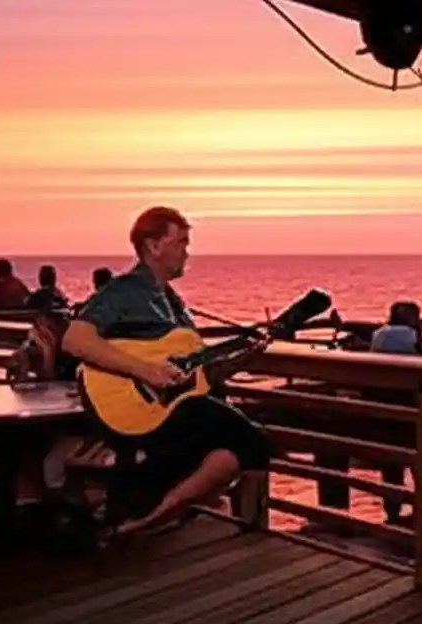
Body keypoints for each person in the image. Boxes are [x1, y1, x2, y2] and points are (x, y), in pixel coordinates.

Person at [62, 206, 269, 536]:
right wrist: (145, 371)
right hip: (139, 404)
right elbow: (74, 339)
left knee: (234, 454)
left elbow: (193, 369)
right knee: (253, 441)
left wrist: (240, 359)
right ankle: (146, 515)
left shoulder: (169, 300)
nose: (187, 252)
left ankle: (148, 514)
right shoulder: (126, 289)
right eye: (181, 242)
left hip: (169, 405)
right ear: (153, 246)